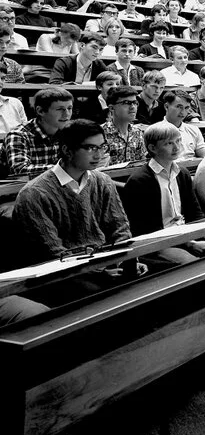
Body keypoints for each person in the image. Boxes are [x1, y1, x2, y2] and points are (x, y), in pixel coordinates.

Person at [11, 121, 134, 303]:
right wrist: (101, 271)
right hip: (61, 276)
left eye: (102, 147)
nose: (99, 155)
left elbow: (120, 228)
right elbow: (52, 251)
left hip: (104, 265)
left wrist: (126, 262)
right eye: (91, 148)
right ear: (68, 151)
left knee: (156, 279)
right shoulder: (34, 193)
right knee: (112, 298)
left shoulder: (103, 181)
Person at [120, 121, 205, 268]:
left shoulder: (182, 173)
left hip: (186, 235)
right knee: (195, 266)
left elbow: (195, 211)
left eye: (178, 141)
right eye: (169, 143)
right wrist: (190, 243)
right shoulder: (140, 180)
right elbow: (144, 229)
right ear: (152, 148)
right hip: (158, 243)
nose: (177, 147)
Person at [99, 86, 146, 164]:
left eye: (135, 103)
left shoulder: (138, 133)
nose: (133, 107)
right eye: (126, 103)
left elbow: (142, 162)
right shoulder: (100, 134)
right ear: (111, 108)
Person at [161, 89, 205, 159]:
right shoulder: (156, 131)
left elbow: (204, 157)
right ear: (166, 107)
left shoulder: (194, 130)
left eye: (186, 108)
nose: (183, 112)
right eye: (179, 107)